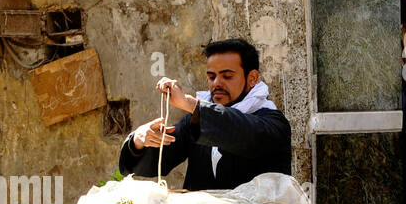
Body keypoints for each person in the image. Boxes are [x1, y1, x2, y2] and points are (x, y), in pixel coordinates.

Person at [118, 39, 290, 190]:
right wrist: (138, 141)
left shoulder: (272, 124)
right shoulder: (195, 121)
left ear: (252, 78)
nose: (217, 83)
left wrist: (190, 103)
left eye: (227, 76)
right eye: (211, 76)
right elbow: (153, 164)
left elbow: (239, 130)